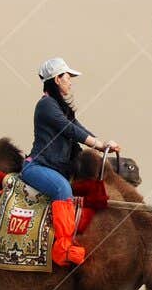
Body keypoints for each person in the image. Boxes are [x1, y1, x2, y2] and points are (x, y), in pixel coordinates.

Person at [23, 58, 121, 267]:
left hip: (55, 167)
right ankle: (64, 250)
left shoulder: (60, 107)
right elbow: (69, 130)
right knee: (62, 189)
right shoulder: (46, 105)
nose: (71, 82)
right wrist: (99, 145)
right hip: (38, 167)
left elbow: (78, 127)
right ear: (57, 79)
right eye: (68, 78)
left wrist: (102, 144)